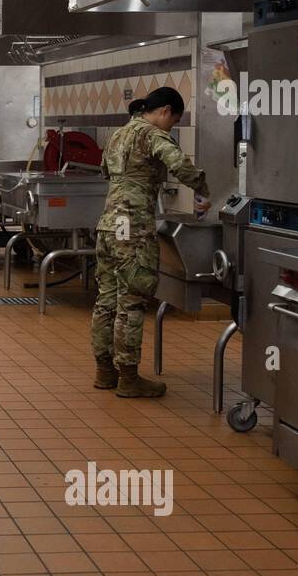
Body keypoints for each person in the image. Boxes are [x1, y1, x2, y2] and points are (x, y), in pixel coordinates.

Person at [90, 86, 210, 398]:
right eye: (175, 121)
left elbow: (106, 171)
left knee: (106, 299)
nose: (172, 127)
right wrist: (206, 189)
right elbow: (179, 164)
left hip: (108, 225)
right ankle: (128, 377)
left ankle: (105, 371)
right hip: (132, 228)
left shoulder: (118, 135)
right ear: (166, 111)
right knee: (132, 300)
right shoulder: (152, 134)